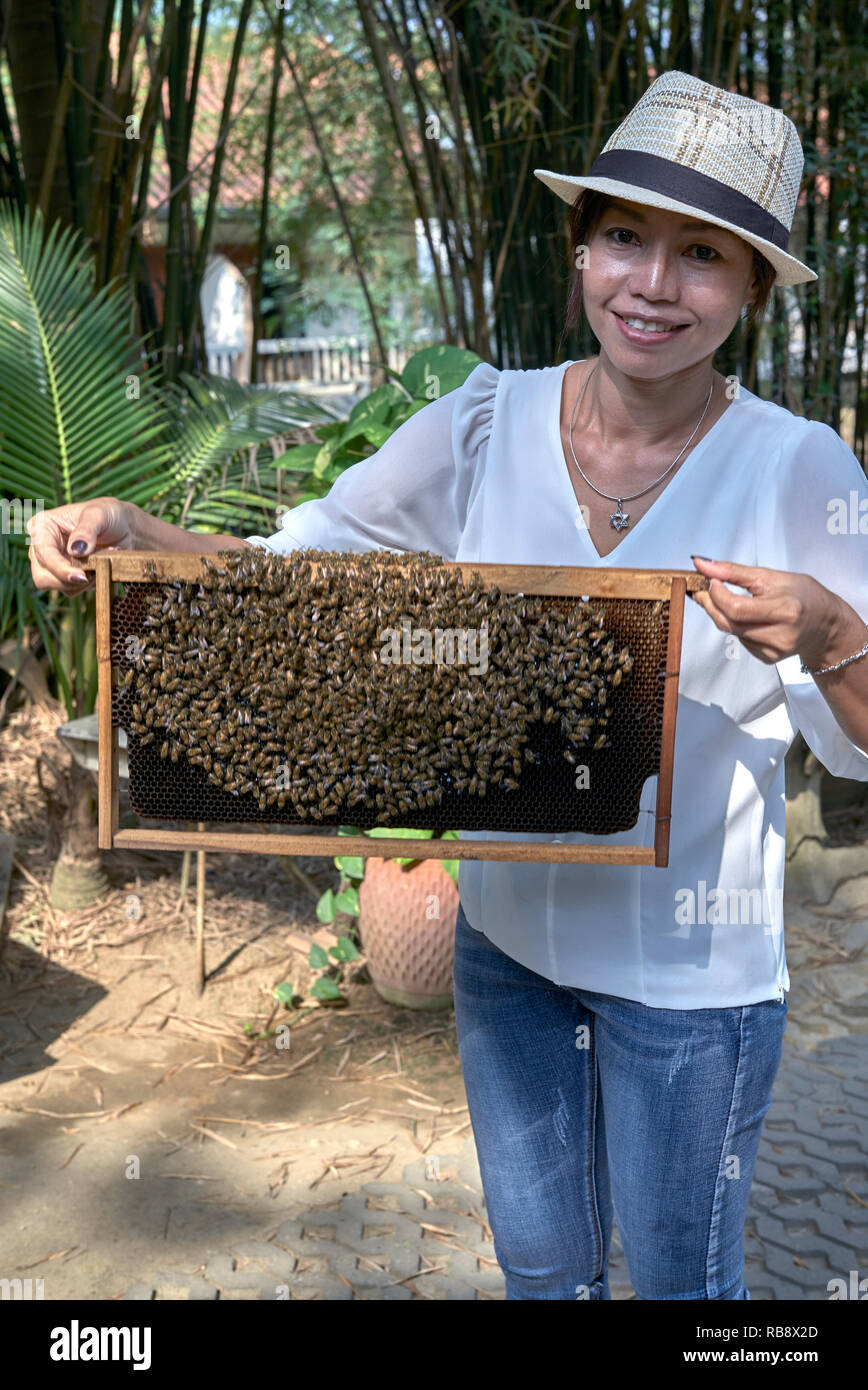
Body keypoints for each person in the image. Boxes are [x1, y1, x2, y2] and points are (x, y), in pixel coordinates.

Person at [28, 71, 868, 1300]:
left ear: (747, 288)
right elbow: (287, 576)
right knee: (543, 1278)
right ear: (580, 252)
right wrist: (131, 529)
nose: (651, 283)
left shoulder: (800, 467)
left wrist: (832, 629)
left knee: (688, 1294)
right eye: (624, 238)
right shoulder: (484, 422)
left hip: (692, 990)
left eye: (701, 256)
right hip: (509, 954)